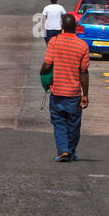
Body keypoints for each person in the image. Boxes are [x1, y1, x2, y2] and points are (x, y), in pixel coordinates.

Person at [40, 12, 89, 162]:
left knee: (59, 122)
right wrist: (85, 94)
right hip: (74, 94)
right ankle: (70, 151)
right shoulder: (83, 46)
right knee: (73, 124)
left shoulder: (54, 42)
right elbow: (84, 73)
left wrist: (42, 73)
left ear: (62, 27)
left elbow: (48, 64)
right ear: (75, 27)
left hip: (57, 91)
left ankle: (64, 150)